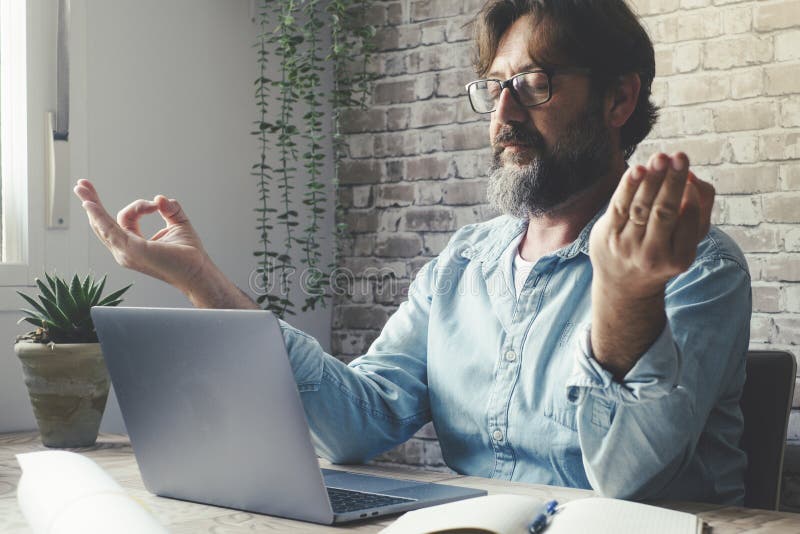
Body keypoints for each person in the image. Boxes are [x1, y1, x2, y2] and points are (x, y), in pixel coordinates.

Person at [74, 0, 751, 504]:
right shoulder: (461, 266)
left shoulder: (699, 269)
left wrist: (626, 297)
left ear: (620, 98)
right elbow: (357, 421)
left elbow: (633, 486)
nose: (503, 116)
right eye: (495, 86)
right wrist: (204, 283)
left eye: (536, 84)